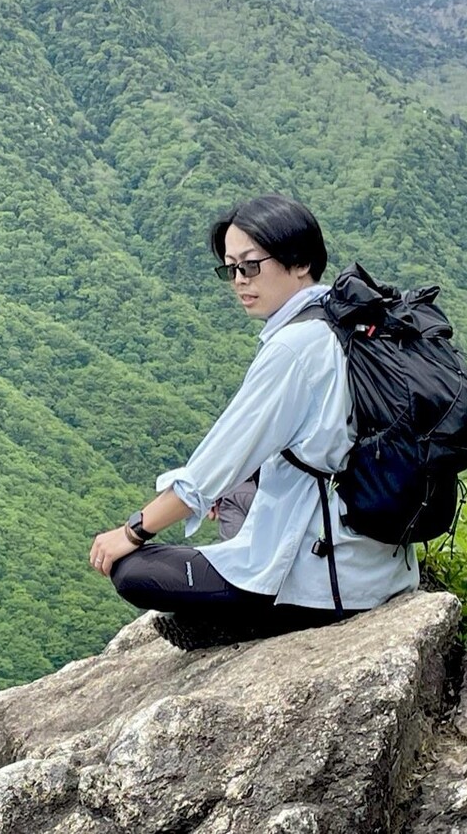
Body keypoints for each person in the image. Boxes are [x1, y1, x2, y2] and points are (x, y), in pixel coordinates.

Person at [89, 194, 419, 649]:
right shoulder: (348, 318)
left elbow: (204, 475)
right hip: (381, 562)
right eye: (230, 270)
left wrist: (130, 531)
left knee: (134, 571)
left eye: (250, 266)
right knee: (237, 494)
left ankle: (264, 619)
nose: (239, 282)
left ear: (300, 261)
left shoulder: (293, 348)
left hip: (329, 582)